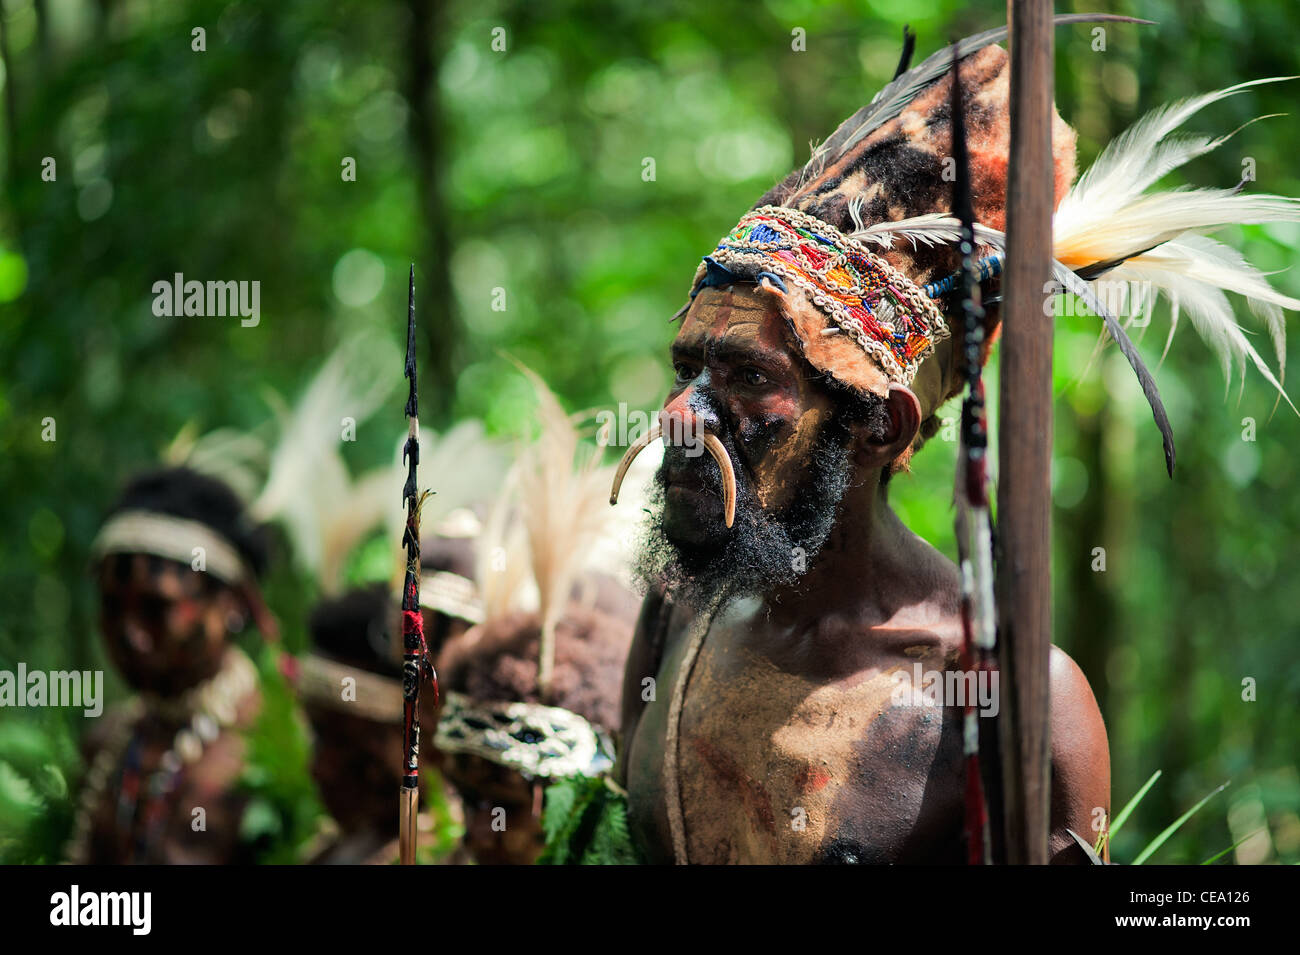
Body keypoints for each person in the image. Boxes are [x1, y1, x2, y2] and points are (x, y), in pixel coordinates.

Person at [610, 27, 1300, 864]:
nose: (683, 414)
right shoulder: (678, 610)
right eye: (686, 369)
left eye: (745, 377)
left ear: (881, 426)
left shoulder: (1014, 701)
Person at [67, 467, 274, 864]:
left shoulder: (278, 751)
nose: (130, 634)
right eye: (112, 606)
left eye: (155, 608)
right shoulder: (107, 745)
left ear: (230, 606)